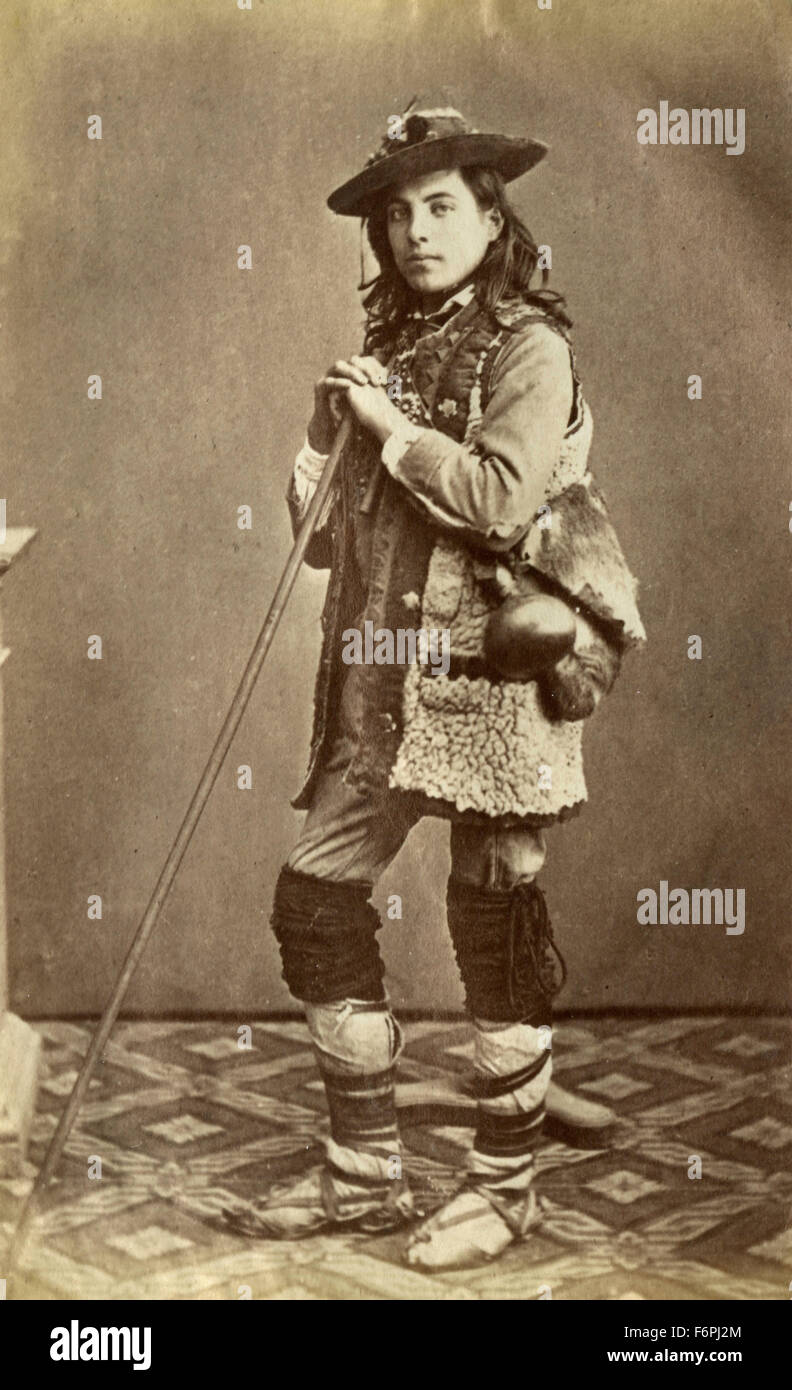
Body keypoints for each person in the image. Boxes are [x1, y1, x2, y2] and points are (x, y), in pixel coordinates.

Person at [226, 107, 646, 1271]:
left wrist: (388, 426)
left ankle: (505, 1184)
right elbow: (322, 549)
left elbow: (502, 502)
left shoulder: (529, 347)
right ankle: (365, 1174)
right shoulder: (396, 353)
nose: (413, 231)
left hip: (494, 684)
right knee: (314, 899)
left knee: (494, 916)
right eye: (395, 213)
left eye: (441, 205)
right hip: (380, 686)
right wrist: (324, 438)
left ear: (493, 214)